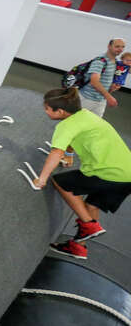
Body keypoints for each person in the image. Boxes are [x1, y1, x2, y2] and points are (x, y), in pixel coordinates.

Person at [34, 87, 131, 261]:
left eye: (47, 108)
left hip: (109, 173)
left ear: (60, 111)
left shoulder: (66, 125)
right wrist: (70, 156)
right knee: (92, 205)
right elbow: (74, 139)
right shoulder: (85, 115)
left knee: (60, 182)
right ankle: (79, 247)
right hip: (127, 173)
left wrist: (42, 179)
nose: (45, 110)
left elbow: (56, 152)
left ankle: (88, 224)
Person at [76, 38, 125, 118]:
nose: (120, 49)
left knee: (94, 125)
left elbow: (105, 80)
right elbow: (94, 81)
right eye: (117, 46)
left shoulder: (115, 61)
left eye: (123, 47)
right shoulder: (100, 61)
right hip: (87, 99)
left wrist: (112, 87)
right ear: (109, 46)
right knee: (75, 122)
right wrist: (108, 97)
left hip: (101, 100)